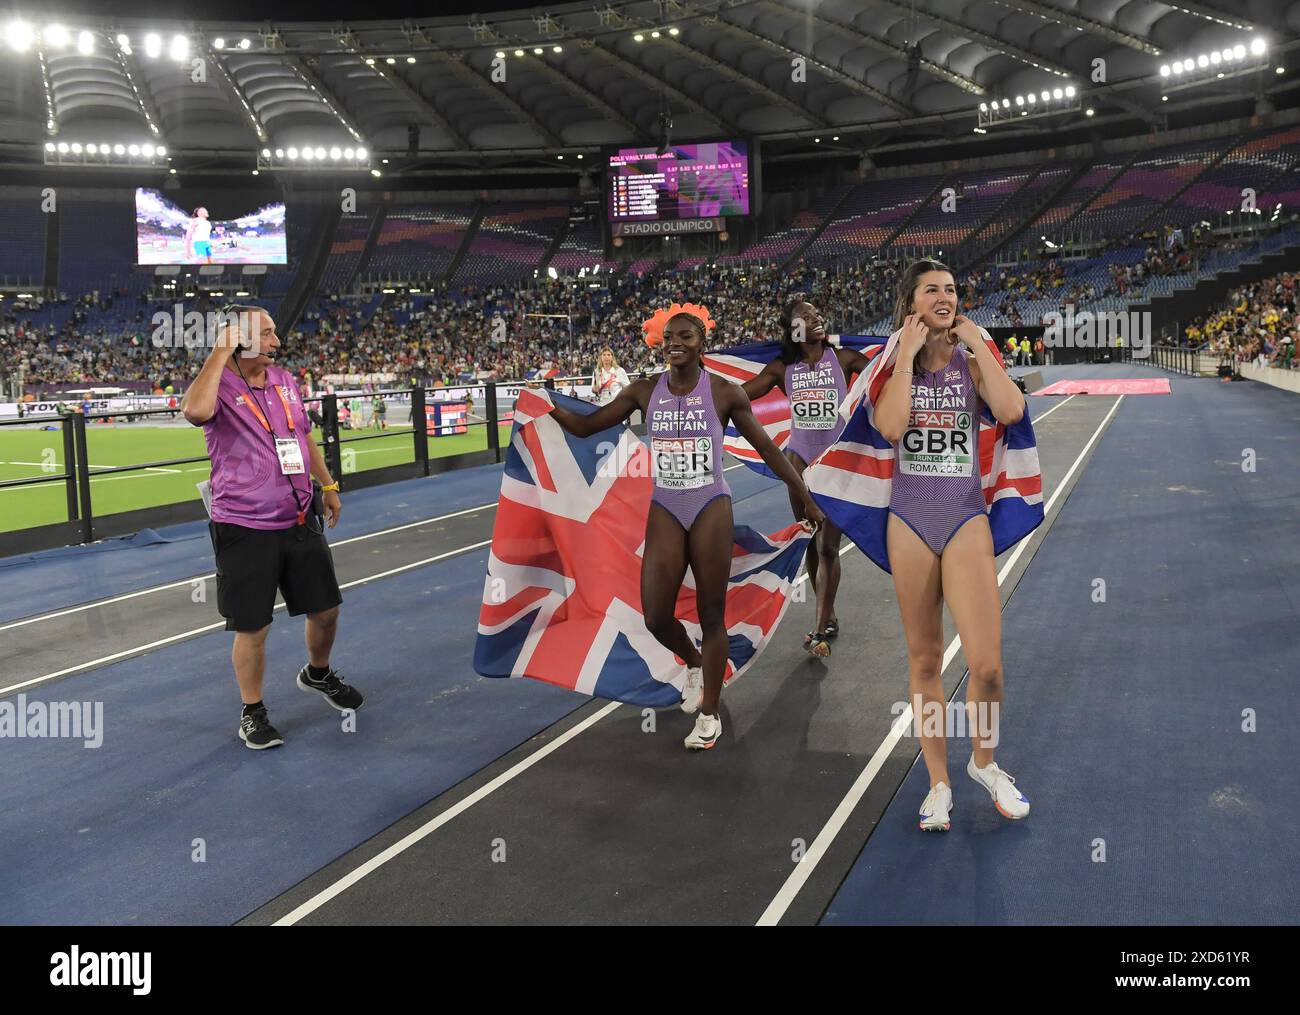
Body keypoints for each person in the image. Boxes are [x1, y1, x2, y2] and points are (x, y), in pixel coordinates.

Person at [536, 303, 825, 751]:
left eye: (686, 336)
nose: (675, 343)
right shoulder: (643, 392)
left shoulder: (726, 393)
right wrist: (542, 405)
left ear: (701, 343)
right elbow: (587, 425)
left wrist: (805, 498)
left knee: (712, 614)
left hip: (710, 504)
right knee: (655, 614)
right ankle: (692, 662)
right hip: (666, 506)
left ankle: (709, 713)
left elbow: (769, 449)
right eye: (669, 336)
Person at [872, 261, 1032, 831]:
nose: (945, 297)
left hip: (965, 513)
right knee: (924, 658)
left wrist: (977, 341)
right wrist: (904, 360)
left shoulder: (972, 357)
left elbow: (1012, 410)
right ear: (911, 303)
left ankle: (984, 763)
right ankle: (937, 782)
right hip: (910, 517)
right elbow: (891, 427)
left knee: (987, 664)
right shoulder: (893, 363)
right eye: (931, 290)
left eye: (952, 290)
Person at [181, 304, 361, 750]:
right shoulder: (218, 385)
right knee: (253, 626)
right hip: (243, 525)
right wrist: (221, 350)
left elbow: (301, 438)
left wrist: (328, 484)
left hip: (299, 517)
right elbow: (195, 411)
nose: (277, 342)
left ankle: (317, 674)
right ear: (238, 339)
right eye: (266, 334)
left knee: (326, 610)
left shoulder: (284, 381)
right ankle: (253, 710)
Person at [741, 295, 873, 656]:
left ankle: (819, 628)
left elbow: (881, 371)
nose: (816, 319)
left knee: (829, 545)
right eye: (806, 316)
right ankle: (827, 614)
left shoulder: (843, 360)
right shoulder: (782, 369)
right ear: (792, 329)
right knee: (810, 541)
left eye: (817, 313)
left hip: (835, 466)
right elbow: (739, 394)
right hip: (798, 467)